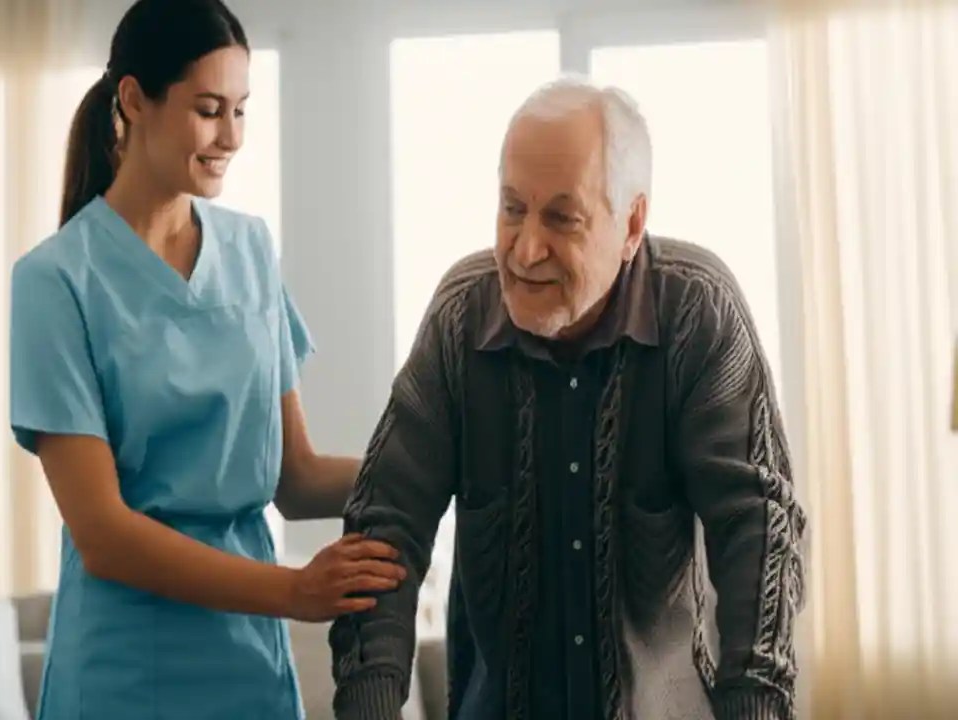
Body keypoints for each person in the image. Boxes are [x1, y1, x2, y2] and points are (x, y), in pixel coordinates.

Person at [330, 77, 807, 720]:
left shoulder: (699, 312)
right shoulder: (457, 320)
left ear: (632, 222)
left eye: (562, 217)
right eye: (511, 209)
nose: (526, 250)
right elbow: (385, 524)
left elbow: (759, 531)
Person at [8, 0, 405, 717]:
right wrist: (293, 591)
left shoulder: (250, 249)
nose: (231, 137)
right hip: (124, 675)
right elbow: (103, 536)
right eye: (209, 109)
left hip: (249, 669)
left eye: (242, 111)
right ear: (134, 100)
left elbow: (297, 477)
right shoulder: (54, 281)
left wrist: (451, 472)